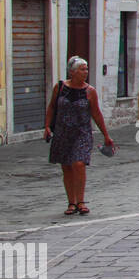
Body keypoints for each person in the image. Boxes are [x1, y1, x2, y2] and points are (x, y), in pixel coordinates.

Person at [44, 56, 114, 216]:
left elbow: (96, 114)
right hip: (62, 133)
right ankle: (71, 203)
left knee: (78, 164)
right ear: (72, 72)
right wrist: (47, 126)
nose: (86, 72)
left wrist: (106, 135)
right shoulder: (60, 87)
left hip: (82, 133)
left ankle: (81, 201)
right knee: (67, 167)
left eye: (86, 69)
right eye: (82, 69)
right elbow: (52, 107)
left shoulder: (90, 91)